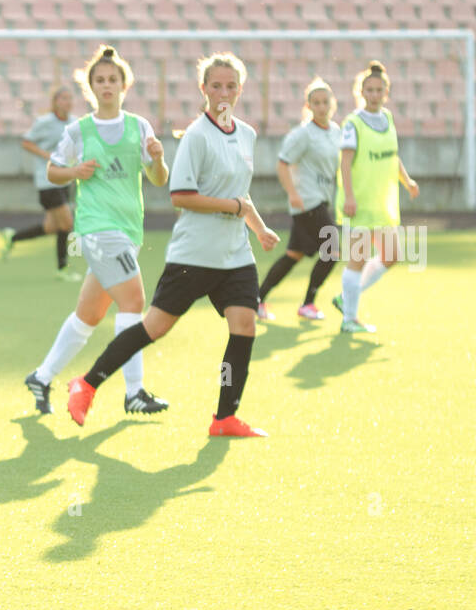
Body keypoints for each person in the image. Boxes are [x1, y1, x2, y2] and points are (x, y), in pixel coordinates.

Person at [67, 52, 280, 438]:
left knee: (245, 325)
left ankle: (224, 418)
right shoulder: (197, 135)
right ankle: (87, 383)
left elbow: (240, 193)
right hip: (194, 254)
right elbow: (180, 195)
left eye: (231, 86)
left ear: (241, 89)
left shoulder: (246, 134)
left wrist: (258, 227)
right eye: (215, 85)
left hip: (235, 254)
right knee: (154, 327)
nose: (223, 92)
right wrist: (233, 207)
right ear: (203, 89)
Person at [23, 46, 169, 418]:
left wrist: (160, 159)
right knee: (134, 303)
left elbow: (157, 179)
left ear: (124, 84)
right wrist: (75, 172)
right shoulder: (79, 130)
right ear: (91, 88)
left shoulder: (140, 127)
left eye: (113, 79)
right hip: (98, 231)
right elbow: (53, 170)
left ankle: (42, 376)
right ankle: (134, 393)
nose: (107, 85)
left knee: (88, 316)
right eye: (100, 80)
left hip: (128, 231)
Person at [332, 60, 418, 333]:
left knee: (392, 254)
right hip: (358, 202)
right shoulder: (352, 123)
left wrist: (407, 181)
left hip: (384, 202)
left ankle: (346, 299)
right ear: (361, 92)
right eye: (369, 90)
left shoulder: (388, 118)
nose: (374, 94)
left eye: (379, 90)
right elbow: (345, 163)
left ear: (386, 92)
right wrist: (349, 197)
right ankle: (349, 318)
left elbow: (392, 156)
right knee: (357, 259)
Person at [256, 76, 341, 321]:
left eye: (325, 102)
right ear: (309, 106)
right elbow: (283, 164)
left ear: (332, 104)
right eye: (316, 103)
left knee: (294, 255)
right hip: (307, 202)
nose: (322, 107)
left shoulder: (336, 132)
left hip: (321, 201)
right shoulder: (303, 134)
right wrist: (293, 194)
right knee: (332, 249)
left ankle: (258, 299)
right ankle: (308, 303)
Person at [0, 85, 78, 280]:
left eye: (70, 98)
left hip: (65, 179)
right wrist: (47, 155)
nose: (67, 102)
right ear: (55, 102)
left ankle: (13, 237)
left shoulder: (75, 123)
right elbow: (26, 142)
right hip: (47, 181)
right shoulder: (44, 123)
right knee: (67, 223)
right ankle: (62, 269)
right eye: (63, 98)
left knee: (52, 227)